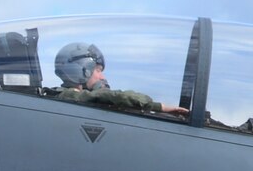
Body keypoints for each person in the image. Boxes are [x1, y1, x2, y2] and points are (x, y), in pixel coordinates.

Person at [49, 42, 186, 116]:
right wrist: (160, 107)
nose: (102, 77)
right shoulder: (67, 96)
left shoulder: (73, 99)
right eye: (98, 70)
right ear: (80, 69)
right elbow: (117, 97)